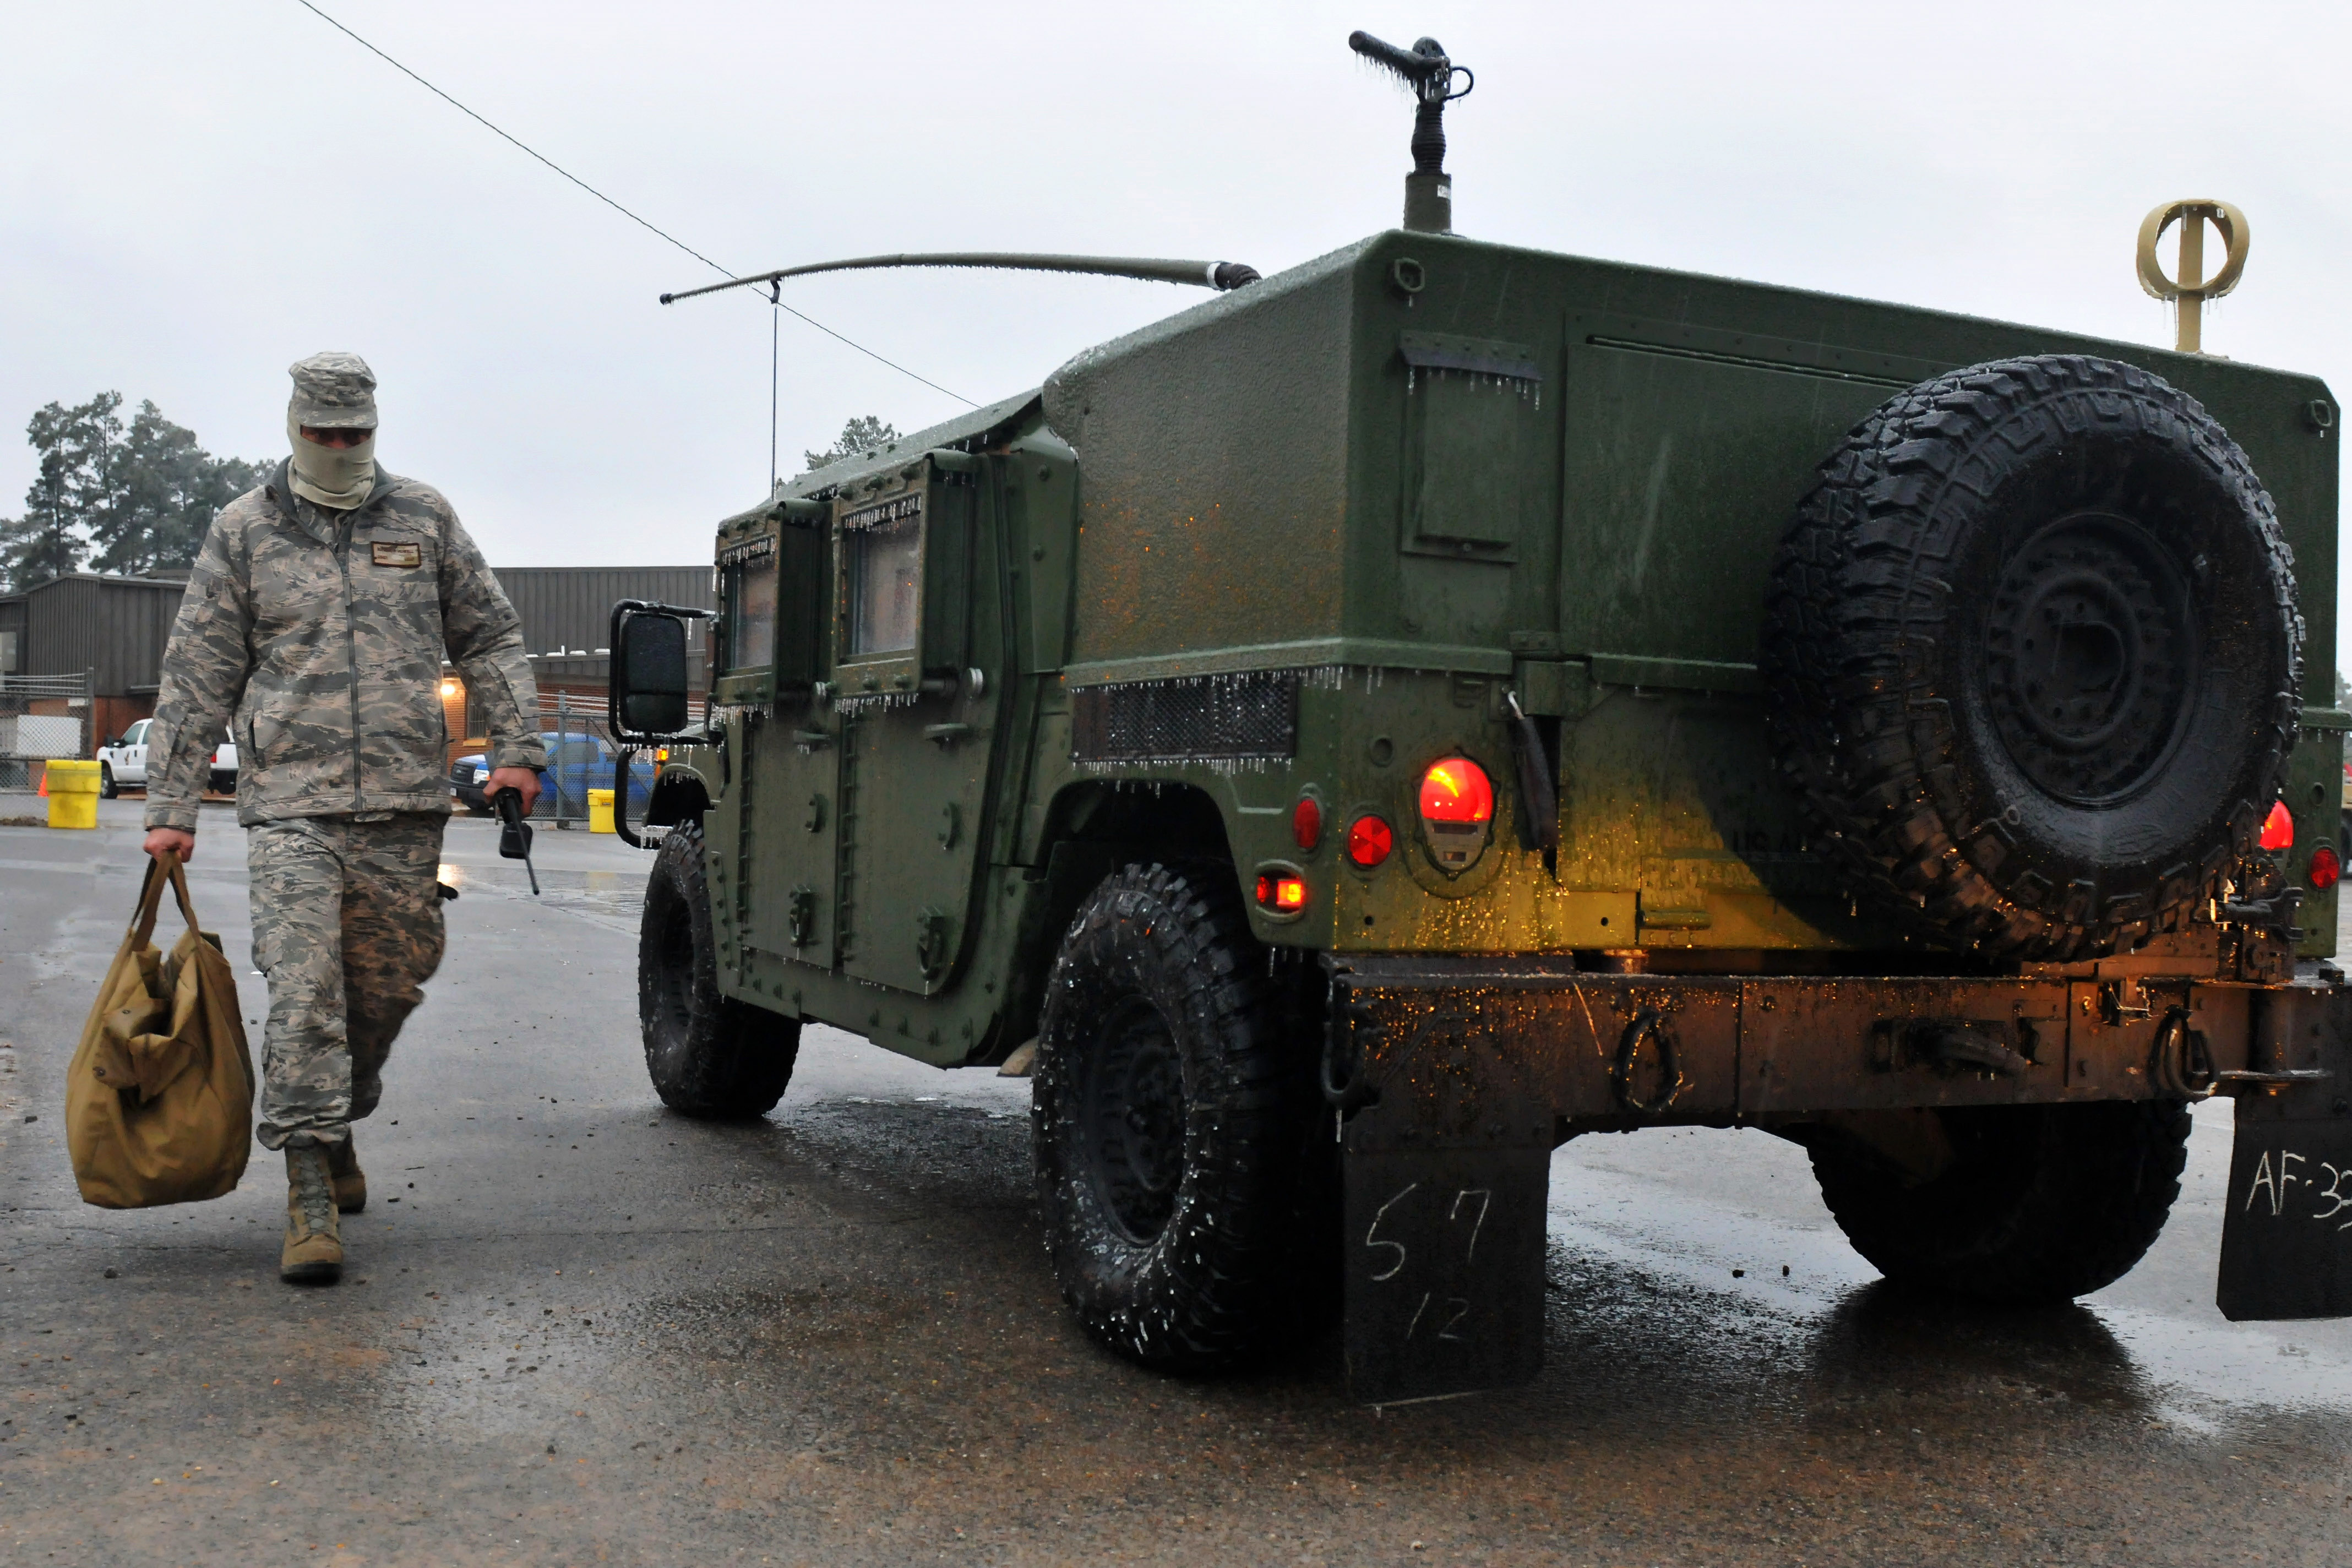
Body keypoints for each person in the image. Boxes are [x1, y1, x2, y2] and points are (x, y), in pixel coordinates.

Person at [141, 352, 547, 1284]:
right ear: (294, 427)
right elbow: (198, 671)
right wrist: (170, 804)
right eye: (321, 435)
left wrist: (519, 748)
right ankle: (309, 1184)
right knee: (306, 987)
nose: (337, 449)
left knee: (388, 987)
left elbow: (488, 633)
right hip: (291, 804)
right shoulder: (243, 532)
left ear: (374, 428)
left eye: (353, 435)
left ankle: (338, 1117)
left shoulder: (423, 517)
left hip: (405, 801)